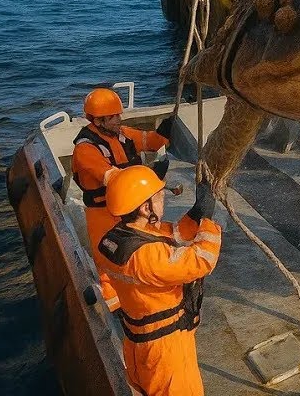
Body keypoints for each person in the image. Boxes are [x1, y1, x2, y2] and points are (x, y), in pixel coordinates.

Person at [99, 165, 220, 396]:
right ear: (146, 208)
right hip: (166, 351)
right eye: (160, 197)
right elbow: (202, 260)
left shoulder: (119, 237)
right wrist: (207, 221)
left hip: (139, 344)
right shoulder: (144, 257)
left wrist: (195, 214)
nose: (164, 200)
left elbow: (169, 235)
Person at [73, 87, 176, 312]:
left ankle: (143, 293)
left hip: (128, 207)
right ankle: (114, 308)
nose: (119, 119)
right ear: (98, 121)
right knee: (108, 261)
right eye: (113, 117)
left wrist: (165, 132)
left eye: (118, 115)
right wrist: (151, 176)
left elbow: (149, 141)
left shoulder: (122, 134)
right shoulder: (85, 150)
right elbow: (113, 178)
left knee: (143, 247)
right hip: (102, 213)